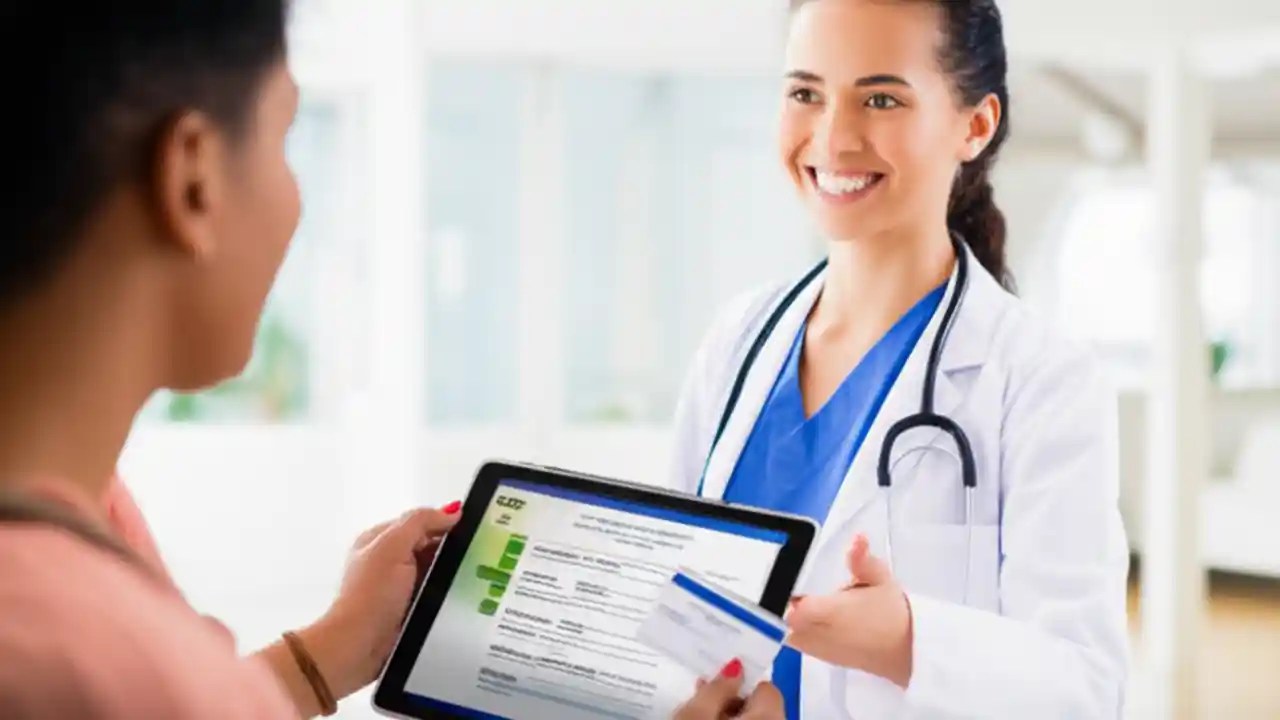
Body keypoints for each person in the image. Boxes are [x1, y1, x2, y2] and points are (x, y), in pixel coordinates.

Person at [0, 5, 799, 720]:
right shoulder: (90, 648)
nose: (295, 199)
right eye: (284, 137)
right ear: (193, 175)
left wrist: (335, 647)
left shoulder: (88, 520)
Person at [669, 1, 1130, 718]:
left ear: (975, 125)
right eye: (804, 93)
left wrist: (911, 641)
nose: (833, 136)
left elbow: (1085, 689)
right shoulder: (739, 338)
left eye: (880, 98)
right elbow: (673, 618)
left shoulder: (1040, 379)